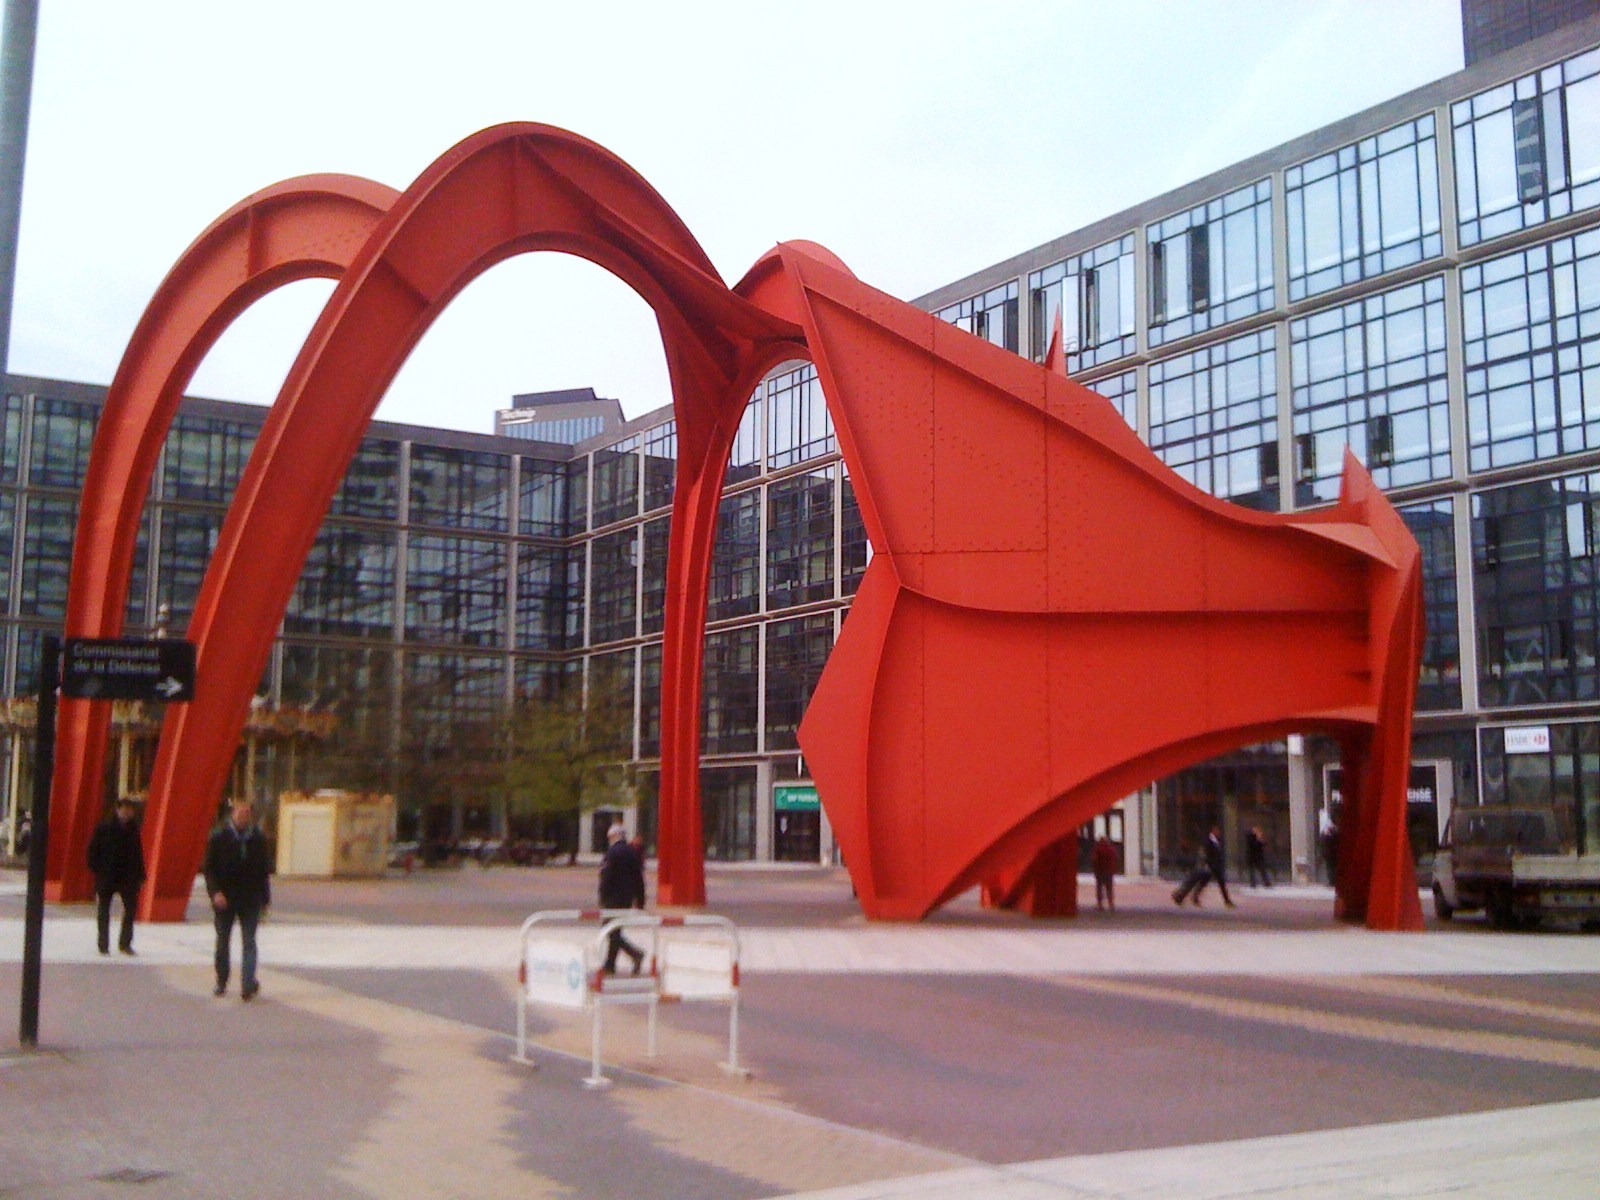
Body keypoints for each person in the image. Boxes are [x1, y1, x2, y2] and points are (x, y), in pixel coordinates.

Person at [203, 799, 272, 1001]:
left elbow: (263, 872)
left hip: (250, 899)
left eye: (247, 814)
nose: (244, 817)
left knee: (249, 942)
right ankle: (221, 980)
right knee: (223, 942)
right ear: (233, 815)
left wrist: (265, 900)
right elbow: (209, 869)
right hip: (225, 898)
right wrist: (215, 893)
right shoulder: (219, 837)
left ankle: (247, 984)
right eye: (240, 813)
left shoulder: (258, 838)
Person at [87, 798, 146, 955]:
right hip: (107, 876)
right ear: (118, 810)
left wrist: (141, 876)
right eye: (124, 809)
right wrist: (98, 870)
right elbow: (93, 852)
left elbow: (138, 855)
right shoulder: (104, 828)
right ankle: (103, 944)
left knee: (131, 909)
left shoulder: (134, 830)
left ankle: (125, 943)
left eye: (130, 810)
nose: (127, 813)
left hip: (128, 878)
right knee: (104, 910)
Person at [598, 823, 646, 975]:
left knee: (610, 930)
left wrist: (602, 896)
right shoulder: (632, 852)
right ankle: (611, 963)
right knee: (614, 931)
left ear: (614, 836)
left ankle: (631, 956)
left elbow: (606, 877)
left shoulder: (612, 853)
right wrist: (640, 900)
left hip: (612, 898)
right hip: (626, 898)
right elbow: (638, 878)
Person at [1091, 834, 1118, 911]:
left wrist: (1095, 869)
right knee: (1109, 888)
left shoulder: (1097, 849)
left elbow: (1094, 860)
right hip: (1109, 872)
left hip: (1100, 872)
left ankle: (1100, 905)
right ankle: (1111, 904)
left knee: (1099, 888)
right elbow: (1115, 859)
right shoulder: (1111, 849)